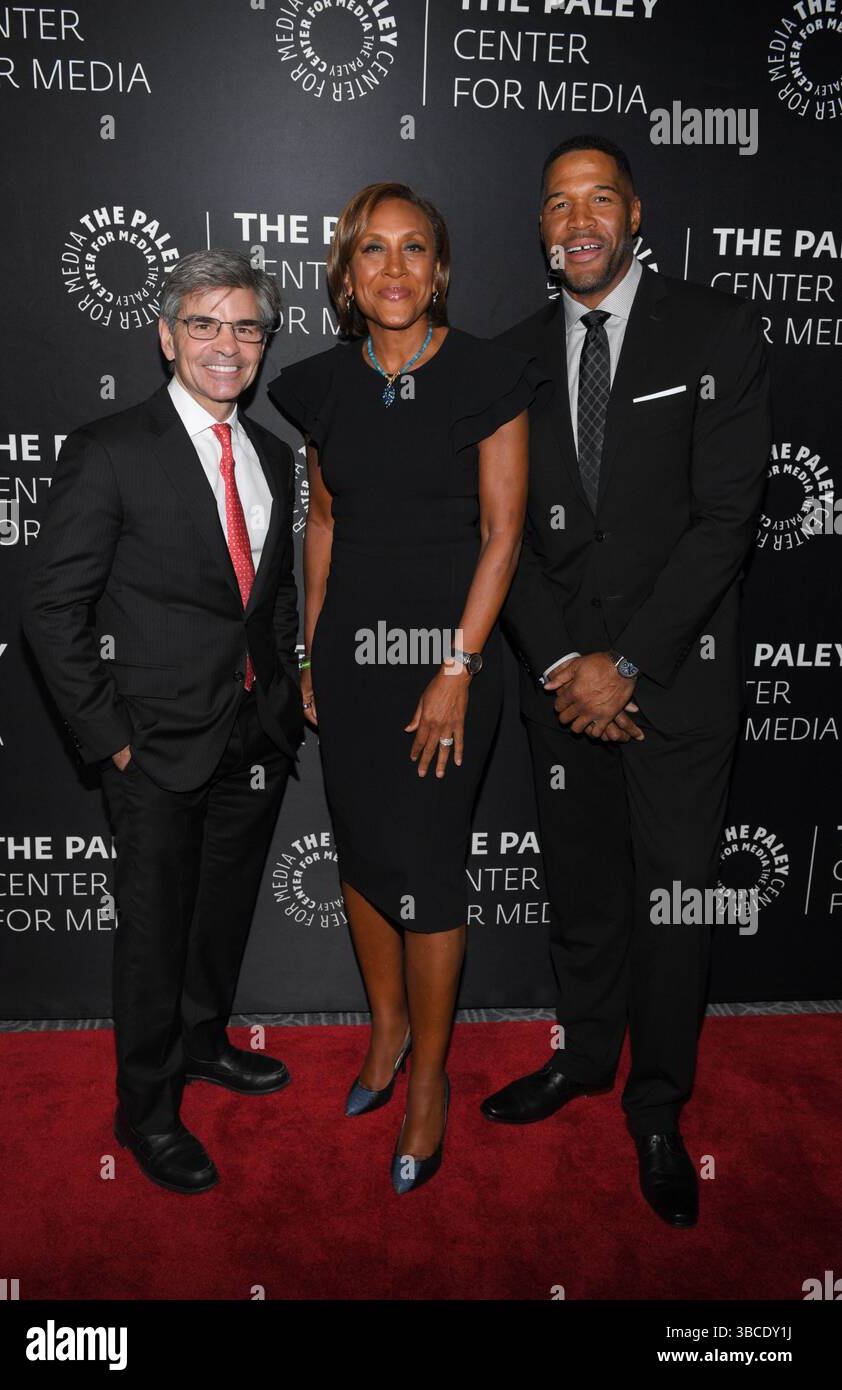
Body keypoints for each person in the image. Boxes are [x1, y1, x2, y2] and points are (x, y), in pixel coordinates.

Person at [482, 135, 772, 1227]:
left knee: (674, 900)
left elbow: (722, 520)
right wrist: (565, 664)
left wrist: (629, 664)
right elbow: (498, 536)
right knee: (585, 897)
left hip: (675, 687)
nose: (578, 219)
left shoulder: (716, 329)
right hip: (558, 687)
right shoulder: (507, 358)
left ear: (635, 214)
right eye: (557, 203)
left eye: (598, 198)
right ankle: (583, 1059)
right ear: (541, 228)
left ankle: (657, 1105)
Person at [268, 182, 545, 1194]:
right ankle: (383, 1030)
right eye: (371, 252)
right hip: (348, 660)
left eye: (413, 249)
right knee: (363, 848)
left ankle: (427, 1078)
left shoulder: (487, 375)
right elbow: (324, 523)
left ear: (440, 269)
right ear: (345, 273)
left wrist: (456, 668)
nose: (392, 269)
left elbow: (502, 531)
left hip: (447, 663)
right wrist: (307, 651)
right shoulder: (319, 387)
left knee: (425, 867)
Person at [21, 250, 304, 1195]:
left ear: (265, 344)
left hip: (253, 737)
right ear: (165, 335)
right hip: (152, 746)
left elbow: (267, 599)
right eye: (205, 324)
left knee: (219, 916)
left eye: (247, 328)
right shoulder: (111, 449)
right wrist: (110, 738)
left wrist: (286, 693)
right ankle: (145, 1110)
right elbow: (52, 612)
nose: (227, 346)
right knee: (152, 933)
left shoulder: (271, 455)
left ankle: (203, 1042)